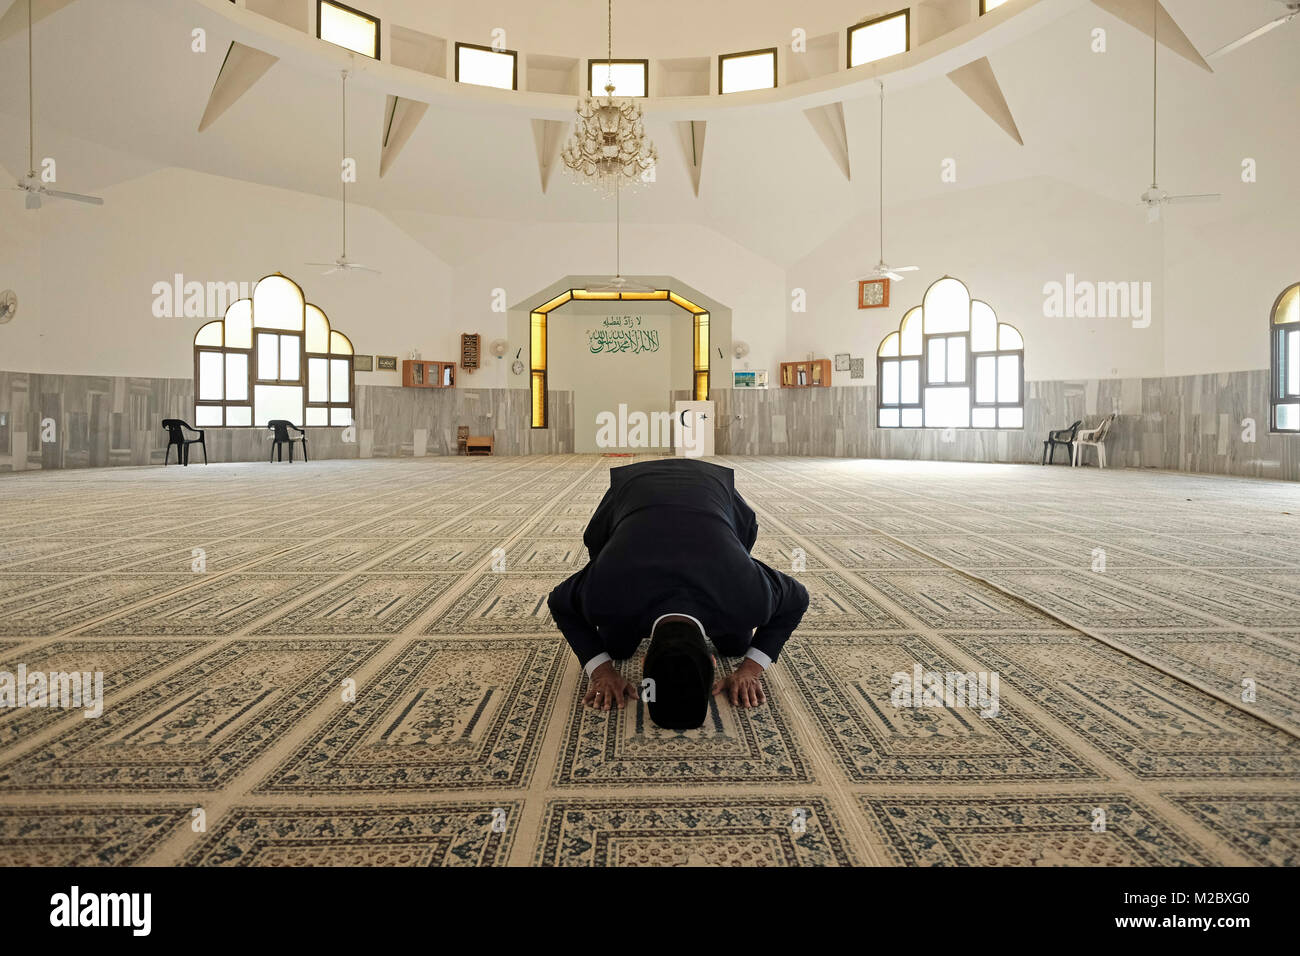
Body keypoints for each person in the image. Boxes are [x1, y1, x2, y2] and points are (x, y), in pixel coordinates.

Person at [547, 458, 809, 730]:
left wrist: (750, 670)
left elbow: (798, 599)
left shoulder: (744, 594)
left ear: (645, 660)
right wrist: (602, 671)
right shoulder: (608, 590)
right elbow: (559, 603)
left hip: (713, 492)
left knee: (738, 645)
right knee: (615, 648)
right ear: (711, 660)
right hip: (634, 490)